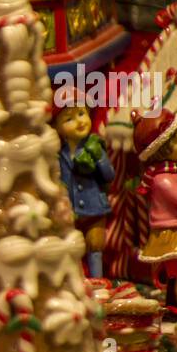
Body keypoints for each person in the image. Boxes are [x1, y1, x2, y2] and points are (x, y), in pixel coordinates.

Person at [54, 95, 114, 278]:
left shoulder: (95, 146)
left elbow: (109, 175)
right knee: (72, 246)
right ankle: (76, 281)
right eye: (69, 118)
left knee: (95, 245)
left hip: (94, 209)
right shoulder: (60, 154)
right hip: (70, 213)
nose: (79, 121)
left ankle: (97, 281)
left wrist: (99, 157)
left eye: (81, 113)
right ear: (58, 128)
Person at [134, 110, 177, 309]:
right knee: (176, 269)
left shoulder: (171, 174)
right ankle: (175, 304)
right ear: (163, 148)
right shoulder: (164, 179)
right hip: (170, 231)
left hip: (176, 228)